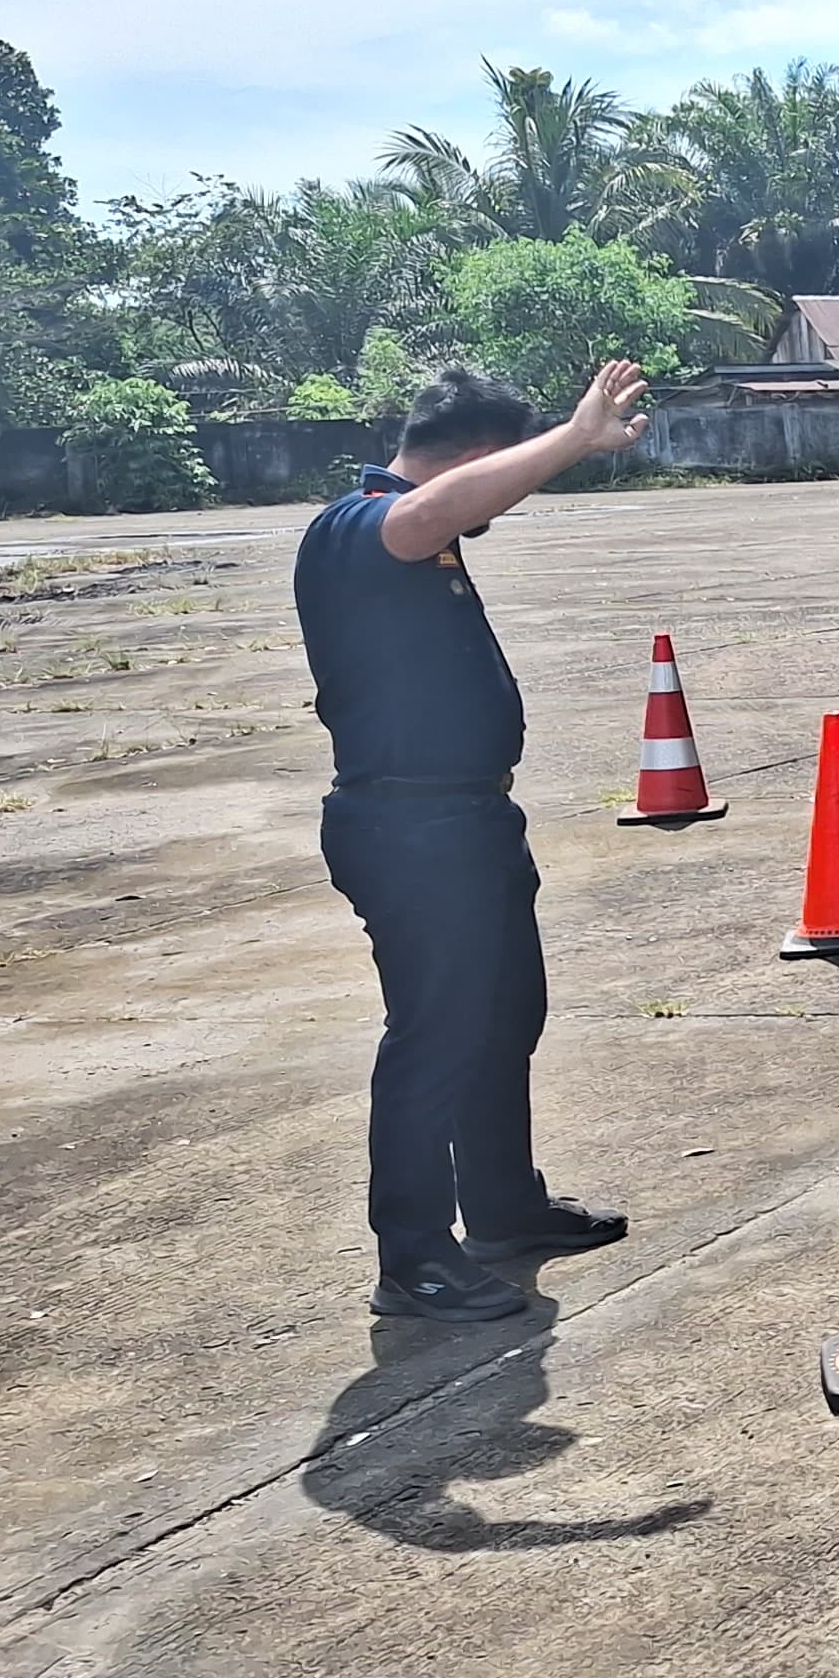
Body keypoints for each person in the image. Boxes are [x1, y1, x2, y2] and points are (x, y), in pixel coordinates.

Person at [297, 361, 649, 1321]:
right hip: (411, 830)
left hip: (469, 819)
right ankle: (411, 1258)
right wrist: (573, 438)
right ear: (479, 457)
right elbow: (419, 518)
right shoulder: (358, 526)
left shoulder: (425, 540)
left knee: (504, 1019)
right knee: (436, 1037)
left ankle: (502, 1206)